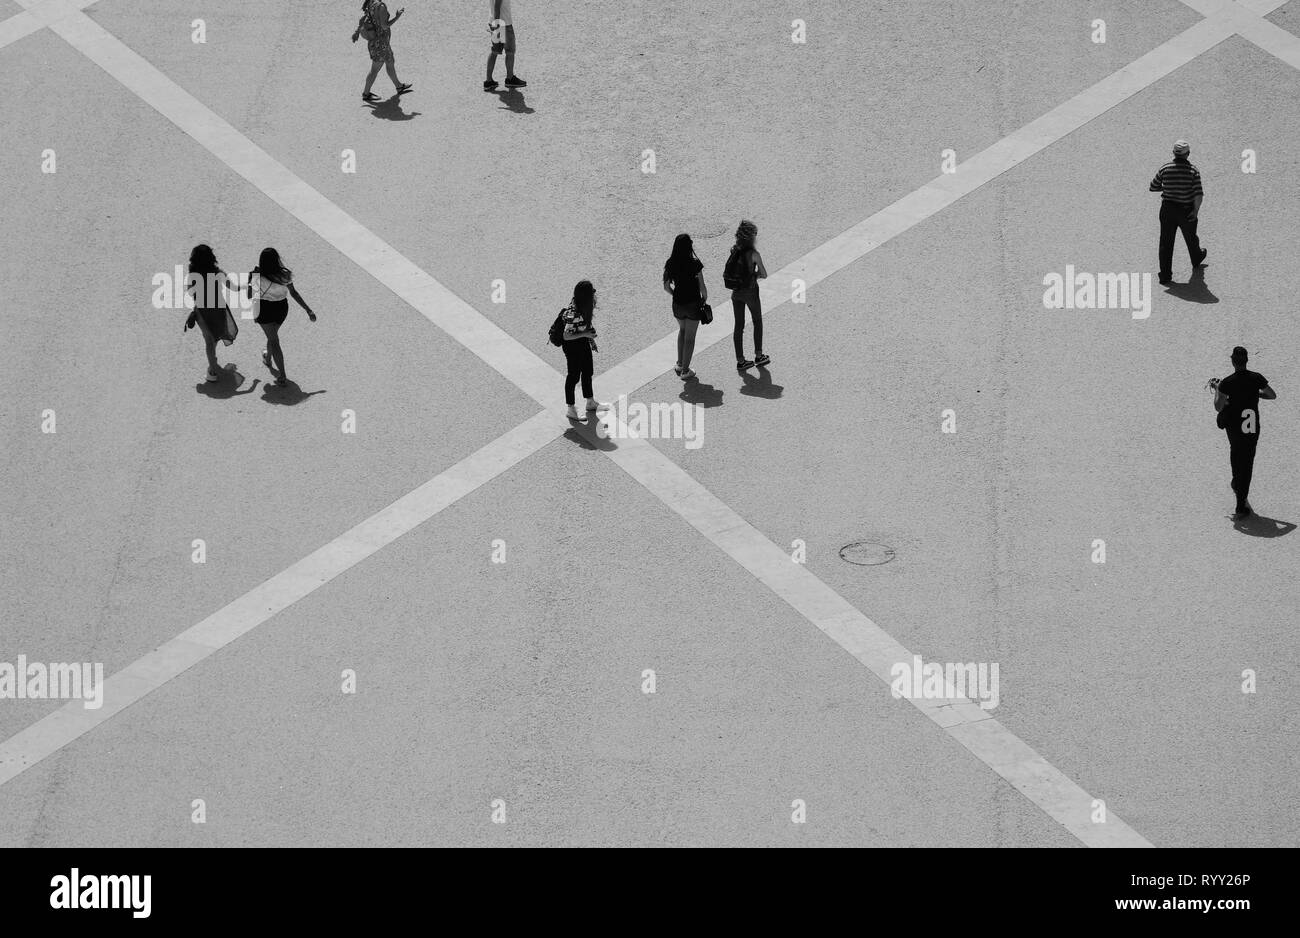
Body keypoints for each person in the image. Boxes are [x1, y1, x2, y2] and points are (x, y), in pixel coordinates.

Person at [1212, 346, 1276, 518]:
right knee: (1247, 465)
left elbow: (1218, 407)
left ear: (1232, 361)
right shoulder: (1256, 378)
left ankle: (1236, 485)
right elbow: (1272, 395)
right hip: (1252, 428)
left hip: (1234, 428)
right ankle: (1241, 502)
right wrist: (1255, 394)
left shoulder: (1227, 382)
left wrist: (1218, 389)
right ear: (1247, 360)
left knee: (1235, 456)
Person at [247, 248, 316, 387]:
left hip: (264, 309)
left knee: (274, 340)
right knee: (272, 336)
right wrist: (308, 310)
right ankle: (267, 358)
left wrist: (253, 280)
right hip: (281, 309)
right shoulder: (285, 274)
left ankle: (282, 375)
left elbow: (250, 296)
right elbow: (294, 293)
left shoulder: (257, 275)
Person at [1149, 139, 1207, 285]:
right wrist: (1195, 211)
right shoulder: (1193, 170)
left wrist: (1167, 188)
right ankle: (1196, 258)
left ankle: (1165, 275)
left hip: (1167, 209)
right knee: (1191, 237)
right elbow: (1198, 194)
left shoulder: (1165, 168)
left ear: (1174, 153)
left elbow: (1153, 186)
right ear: (1188, 153)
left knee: (1166, 242)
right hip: (1185, 209)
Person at [183, 244, 239, 382]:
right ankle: (212, 362)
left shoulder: (192, 275)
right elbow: (234, 288)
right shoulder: (218, 272)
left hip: (202, 311)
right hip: (218, 309)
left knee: (208, 341)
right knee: (216, 336)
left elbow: (190, 293)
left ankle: (212, 371)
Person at [724, 220, 770, 370]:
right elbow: (764, 274)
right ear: (751, 237)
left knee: (739, 326)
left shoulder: (734, 250)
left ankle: (741, 361)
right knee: (757, 322)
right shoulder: (754, 254)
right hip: (750, 292)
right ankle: (759, 356)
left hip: (736, 293)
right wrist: (754, 275)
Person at [663, 234, 707, 380]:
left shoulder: (670, 263)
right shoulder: (695, 263)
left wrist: (675, 293)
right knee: (690, 338)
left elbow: (666, 286)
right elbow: (702, 287)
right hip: (693, 303)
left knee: (682, 331)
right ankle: (686, 371)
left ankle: (680, 364)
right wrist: (704, 299)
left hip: (678, 305)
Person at [352, 0, 411, 102]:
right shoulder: (381, 6)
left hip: (378, 42)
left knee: (390, 62)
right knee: (375, 69)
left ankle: (399, 86)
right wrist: (397, 16)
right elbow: (384, 25)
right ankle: (366, 94)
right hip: (381, 44)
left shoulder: (371, 2)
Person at [559, 280, 599, 419]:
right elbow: (566, 336)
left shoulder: (584, 306)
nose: (594, 296)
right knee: (573, 376)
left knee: (588, 371)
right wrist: (585, 334)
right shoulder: (573, 313)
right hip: (572, 346)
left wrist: (590, 339)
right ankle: (570, 408)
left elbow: (585, 324)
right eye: (591, 293)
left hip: (582, 342)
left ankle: (590, 401)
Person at [485, 0, 526, 92]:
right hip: (503, 24)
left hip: (494, 22)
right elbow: (497, 6)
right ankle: (510, 78)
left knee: (495, 50)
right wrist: (497, 26)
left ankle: (488, 81)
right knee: (510, 51)